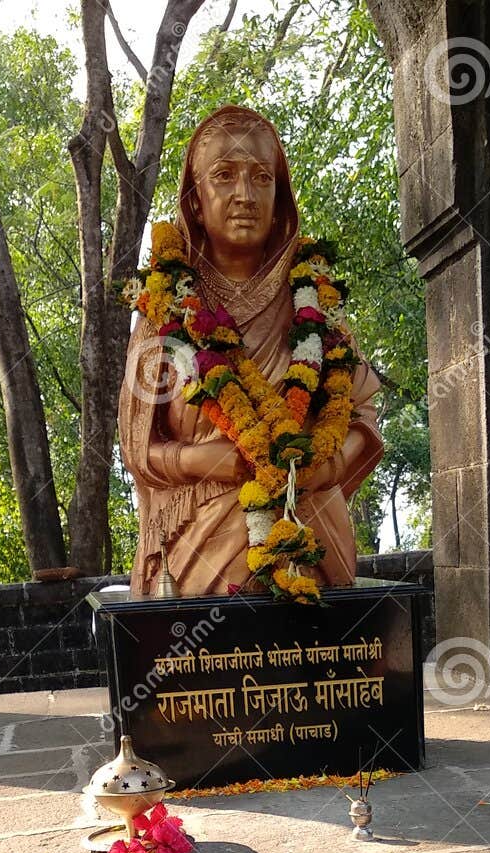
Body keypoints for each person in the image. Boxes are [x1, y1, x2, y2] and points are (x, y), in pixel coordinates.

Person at [119, 105, 384, 597]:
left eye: (261, 177)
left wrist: (322, 467)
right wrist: (207, 462)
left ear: (279, 195)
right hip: (200, 550)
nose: (245, 195)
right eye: (224, 176)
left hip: (312, 537)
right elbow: (139, 449)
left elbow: (362, 414)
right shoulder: (164, 309)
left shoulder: (316, 303)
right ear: (195, 201)